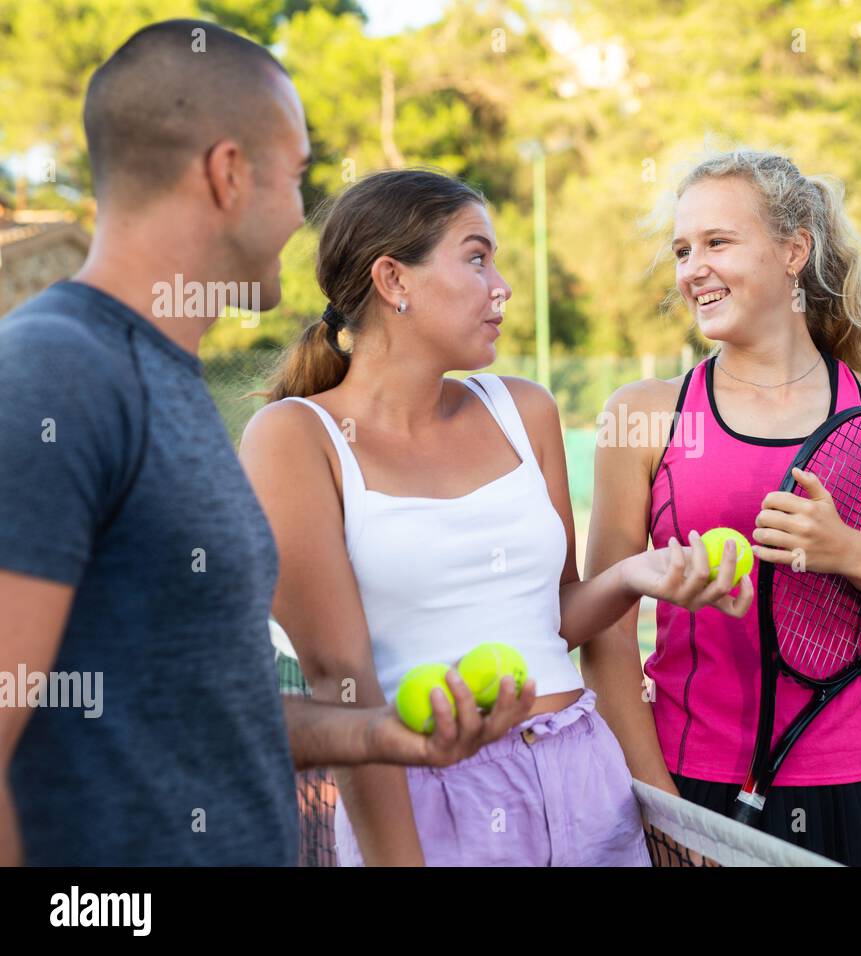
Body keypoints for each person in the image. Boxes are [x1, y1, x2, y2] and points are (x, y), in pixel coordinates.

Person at [0, 20, 535, 868]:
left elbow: (208, 703)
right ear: (229, 174)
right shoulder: (54, 372)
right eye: (294, 177)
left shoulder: (172, 385)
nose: (299, 212)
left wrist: (388, 735)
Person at [239, 167, 752, 867]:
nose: (501, 286)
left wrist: (635, 574)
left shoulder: (526, 409)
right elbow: (339, 684)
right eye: (477, 257)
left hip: (585, 779)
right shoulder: (294, 436)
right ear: (394, 282)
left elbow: (555, 617)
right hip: (426, 803)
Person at [580, 149, 861, 866]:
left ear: (795, 250)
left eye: (717, 242)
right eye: (682, 249)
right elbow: (603, 639)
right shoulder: (642, 415)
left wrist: (855, 557)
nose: (692, 268)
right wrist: (666, 814)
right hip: (690, 790)